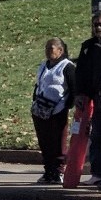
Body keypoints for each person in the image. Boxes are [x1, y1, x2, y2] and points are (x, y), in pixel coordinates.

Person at [71, 12, 101, 185]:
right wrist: (80, 93)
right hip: (96, 97)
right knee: (97, 135)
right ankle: (98, 173)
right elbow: (81, 73)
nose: (98, 28)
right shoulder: (88, 47)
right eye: (95, 25)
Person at [31, 38, 74, 185]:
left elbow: (74, 88)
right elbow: (39, 84)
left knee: (58, 142)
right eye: (47, 48)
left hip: (58, 110)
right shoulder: (44, 65)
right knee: (45, 141)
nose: (48, 52)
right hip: (40, 110)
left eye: (51, 48)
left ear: (60, 50)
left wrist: (67, 104)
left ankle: (58, 171)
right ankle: (48, 171)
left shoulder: (67, 67)